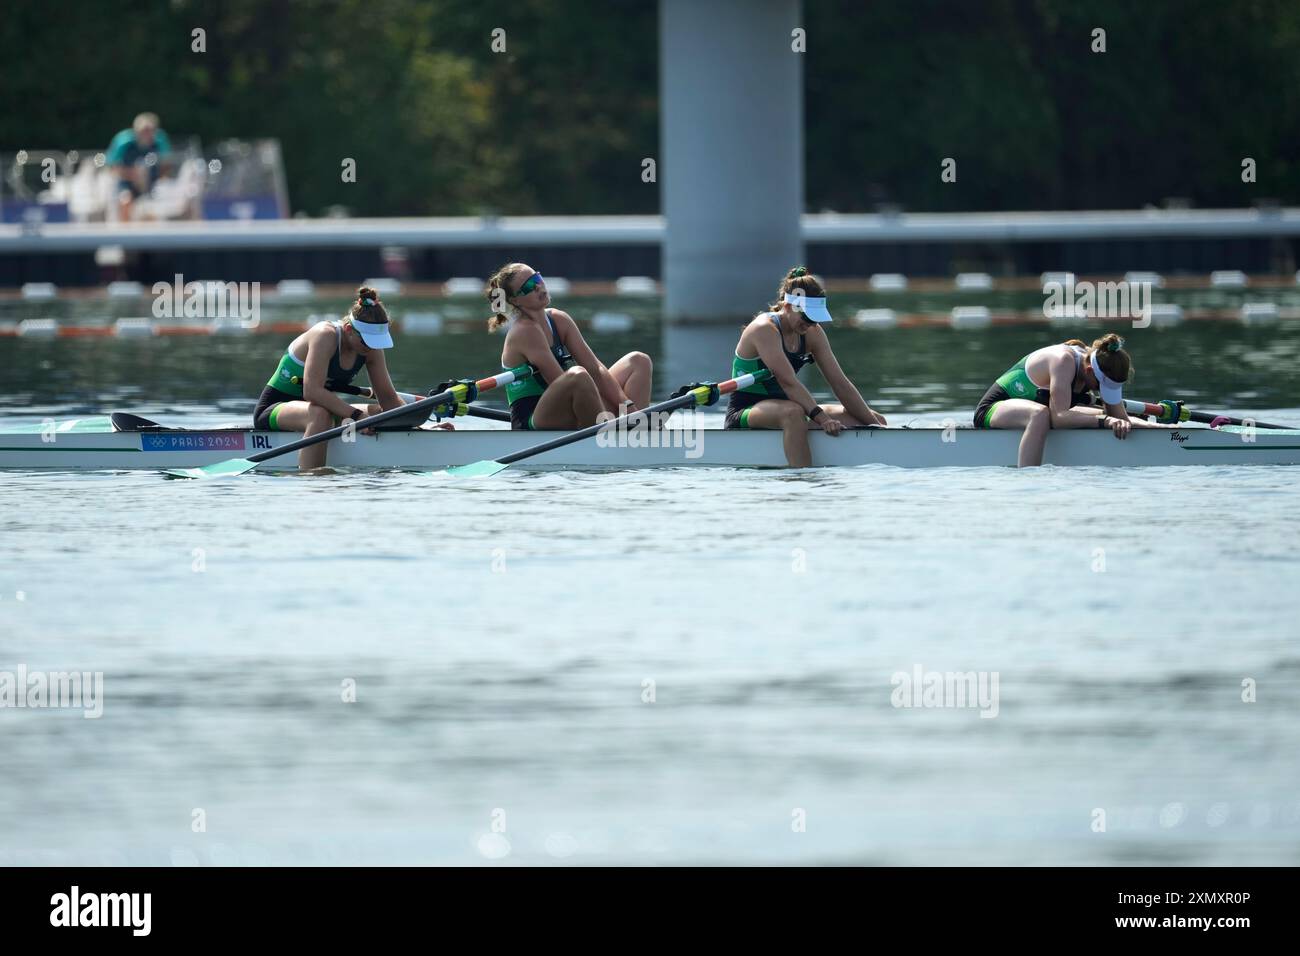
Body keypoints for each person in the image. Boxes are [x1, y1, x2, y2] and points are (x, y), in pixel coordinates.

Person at [724, 266, 886, 467]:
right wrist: (823, 419)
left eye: (815, 318)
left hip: (790, 407)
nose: (810, 324)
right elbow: (788, 382)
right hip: (746, 410)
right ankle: (802, 479)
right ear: (788, 306)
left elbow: (839, 383)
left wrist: (876, 427)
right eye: (807, 317)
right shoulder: (763, 329)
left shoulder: (812, 332)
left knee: (873, 419)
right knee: (793, 413)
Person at [253, 287, 422, 470]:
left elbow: (388, 398)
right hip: (275, 408)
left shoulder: (371, 348)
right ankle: (312, 481)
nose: (371, 347)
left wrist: (417, 426)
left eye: (376, 341)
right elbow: (312, 392)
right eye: (367, 340)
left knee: (382, 414)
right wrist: (357, 416)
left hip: (323, 408)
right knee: (319, 414)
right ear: (349, 329)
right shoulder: (325, 335)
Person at [488, 262, 652, 429]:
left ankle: (635, 428)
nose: (538, 286)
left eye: (537, 278)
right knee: (577, 375)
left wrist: (630, 407)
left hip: (566, 404)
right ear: (515, 300)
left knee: (638, 361)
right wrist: (614, 411)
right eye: (529, 286)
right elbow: (559, 381)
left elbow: (595, 368)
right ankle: (614, 434)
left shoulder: (559, 319)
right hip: (533, 418)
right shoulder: (524, 332)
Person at [975, 332, 1165, 467]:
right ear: (1090, 371)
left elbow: (1120, 418)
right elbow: (1058, 418)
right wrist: (1106, 421)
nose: (1101, 392)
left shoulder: (1100, 364)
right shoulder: (1063, 361)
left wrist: (1167, 432)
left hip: (1036, 411)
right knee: (1039, 414)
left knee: (1101, 414)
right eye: (1100, 387)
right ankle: (1028, 480)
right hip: (992, 409)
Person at [106, 113, 173, 222]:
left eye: (150, 130)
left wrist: (158, 178)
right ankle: (125, 233)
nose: (147, 134)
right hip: (126, 184)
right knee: (125, 201)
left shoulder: (159, 142)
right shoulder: (124, 143)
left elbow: (167, 165)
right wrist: (133, 175)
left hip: (152, 184)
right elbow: (112, 167)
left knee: (154, 206)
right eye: (144, 130)